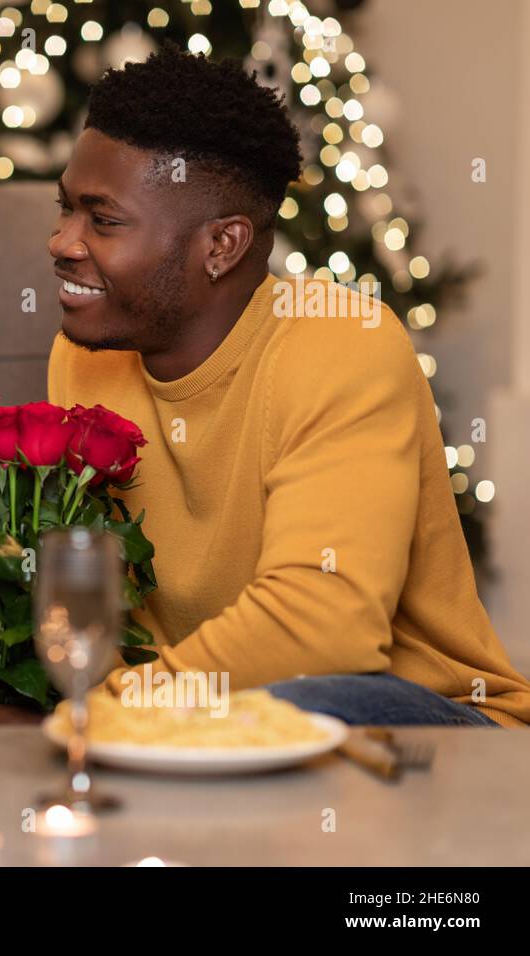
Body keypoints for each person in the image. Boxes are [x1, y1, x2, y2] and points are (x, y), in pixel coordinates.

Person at [47, 46, 530, 727]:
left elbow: (322, 632)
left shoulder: (342, 343)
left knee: (300, 702)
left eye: (103, 220)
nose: (62, 241)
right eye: (65, 208)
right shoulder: (84, 358)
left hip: (421, 719)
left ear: (222, 246)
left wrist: (107, 711)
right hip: (200, 716)